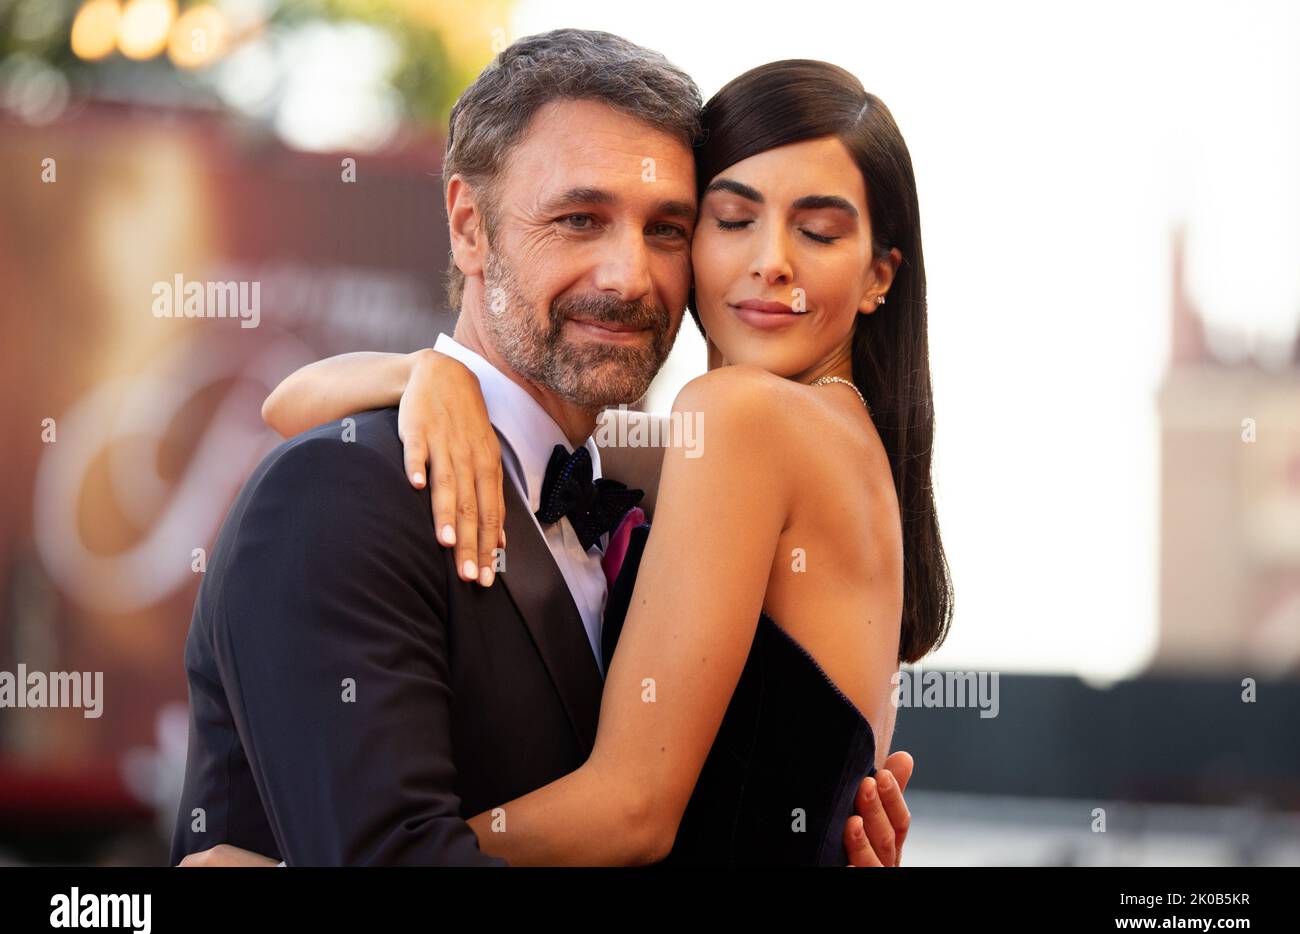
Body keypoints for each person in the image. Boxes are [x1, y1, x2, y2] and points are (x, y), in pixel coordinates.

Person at [173, 30, 921, 867]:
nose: (627, 276)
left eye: (667, 228)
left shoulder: (695, 453)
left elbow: (632, 811)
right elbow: (287, 405)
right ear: (468, 226)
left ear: (879, 273)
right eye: (579, 218)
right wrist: (418, 368)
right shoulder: (340, 492)